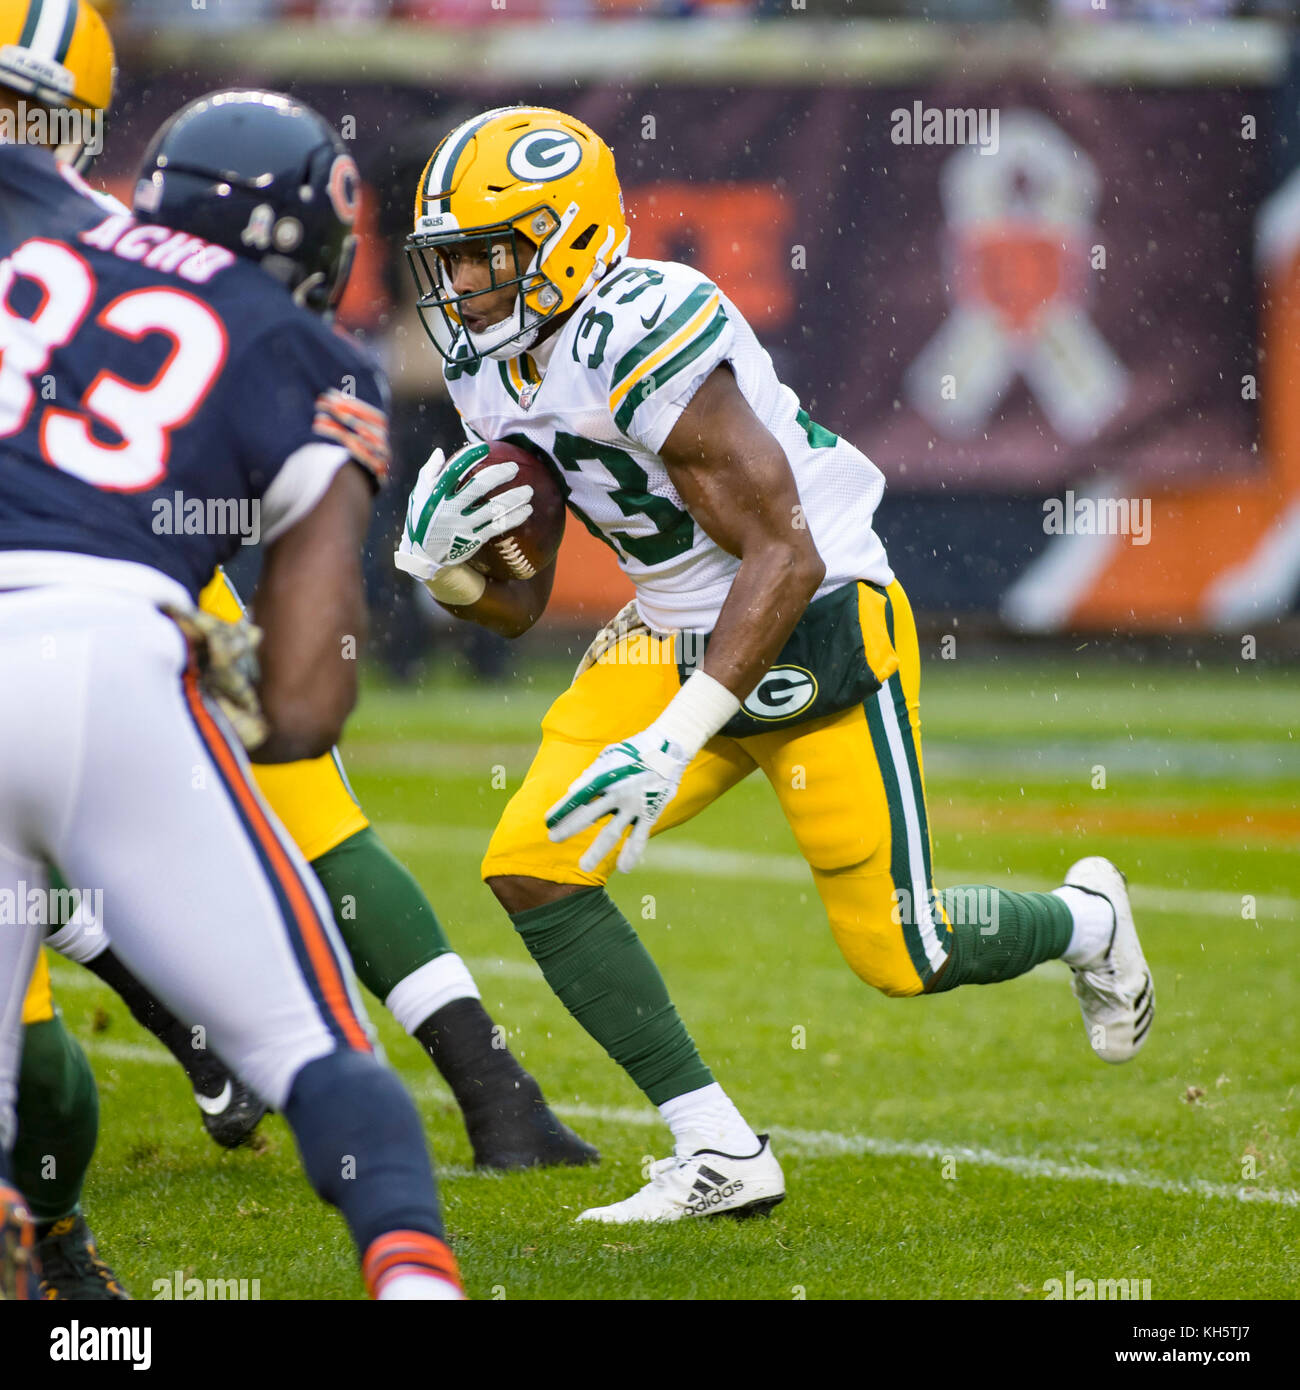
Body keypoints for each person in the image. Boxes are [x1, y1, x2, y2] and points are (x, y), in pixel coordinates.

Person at [395, 105, 1155, 1224]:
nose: (461, 284)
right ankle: (716, 1146)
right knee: (534, 862)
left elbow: (783, 552)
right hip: (671, 627)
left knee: (906, 950)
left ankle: (1086, 919)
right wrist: (449, 574)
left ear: (562, 240)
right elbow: (521, 603)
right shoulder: (493, 368)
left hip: (811, 620)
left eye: (482, 255)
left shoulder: (641, 327)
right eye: (449, 260)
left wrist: (671, 736)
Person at [0, 80, 460, 1298]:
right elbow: (307, 709)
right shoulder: (313, 357)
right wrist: (228, 668)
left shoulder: (39, 218)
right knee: (313, 1049)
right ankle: (413, 1275)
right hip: (100, 653)